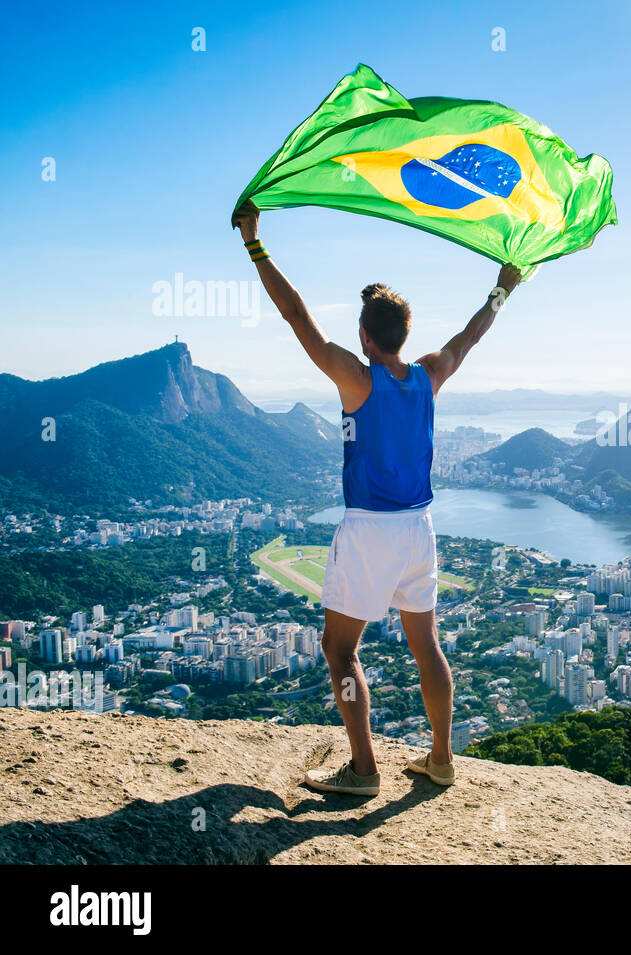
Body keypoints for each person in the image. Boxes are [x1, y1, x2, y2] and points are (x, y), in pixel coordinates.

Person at [232, 201, 522, 796]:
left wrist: (254, 244)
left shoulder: (355, 379)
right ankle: (440, 758)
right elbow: (468, 338)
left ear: (365, 336)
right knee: (426, 646)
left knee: (339, 652)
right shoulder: (429, 374)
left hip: (368, 530)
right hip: (420, 528)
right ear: (403, 336)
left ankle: (364, 770)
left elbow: (296, 317)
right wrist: (501, 288)